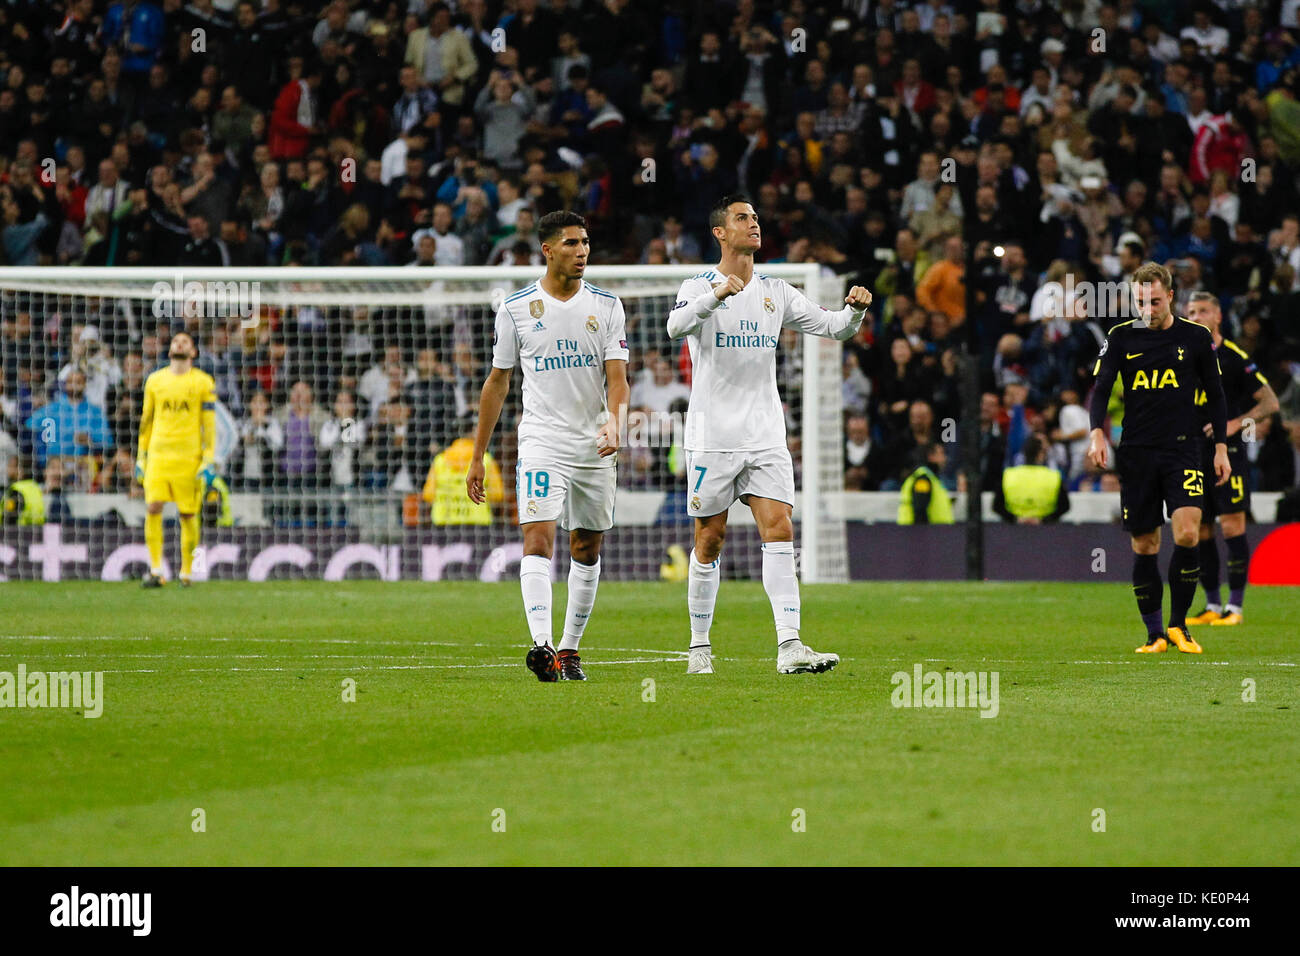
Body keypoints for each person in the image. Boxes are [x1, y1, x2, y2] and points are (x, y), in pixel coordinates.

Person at [666, 194, 871, 675]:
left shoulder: (777, 290)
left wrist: (856, 311)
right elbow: (675, 326)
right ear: (720, 232)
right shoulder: (698, 284)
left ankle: (790, 646)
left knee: (779, 530)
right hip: (712, 436)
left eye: (756, 217)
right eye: (743, 218)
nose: (754, 224)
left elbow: (835, 327)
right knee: (710, 539)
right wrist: (718, 295)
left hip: (765, 435)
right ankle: (699, 647)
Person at [467, 210, 630, 682]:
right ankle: (541, 645)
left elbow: (617, 380)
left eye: (586, 243)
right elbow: (497, 383)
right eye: (572, 243)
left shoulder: (607, 305)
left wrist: (617, 424)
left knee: (587, 546)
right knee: (538, 538)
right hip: (541, 440)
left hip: (595, 443)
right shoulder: (516, 309)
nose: (582, 251)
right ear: (548, 249)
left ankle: (569, 649)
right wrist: (478, 456)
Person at [1086, 263, 1230, 654]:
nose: (1147, 309)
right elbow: (1100, 390)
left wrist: (1219, 447)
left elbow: (1216, 396)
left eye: (1153, 301)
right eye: (1140, 302)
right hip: (1137, 452)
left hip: (1184, 449)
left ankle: (1179, 625)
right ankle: (1154, 635)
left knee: (1186, 532)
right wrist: (1097, 432)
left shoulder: (1197, 338)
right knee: (1146, 544)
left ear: (1170, 297)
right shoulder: (1120, 338)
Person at [1184, 292, 1279, 626]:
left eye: (1203, 311)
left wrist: (1236, 424)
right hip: (1191, 452)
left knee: (1233, 525)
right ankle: (1212, 605)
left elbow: (1270, 403)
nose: (1196, 316)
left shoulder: (1234, 357)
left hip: (1229, 452)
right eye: (1191, 311)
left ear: (1218, 316)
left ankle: (1235, 608)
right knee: (1201, 529)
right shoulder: (1182, 355)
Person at [136, 332, 218, 587]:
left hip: (188, 458)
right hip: (159, 456)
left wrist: (208, 460)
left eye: (185, 342)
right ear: (169, 349)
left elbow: (209, 425)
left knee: (188, 515)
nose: (179, 344)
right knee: (153, 507)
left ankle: (186, 572)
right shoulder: (154, 381)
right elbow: (146, 422)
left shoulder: (204, 382)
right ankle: (156, 569)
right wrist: (141, 457)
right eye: (175, 341)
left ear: (193, 352)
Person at [992, 435, 1070, 523]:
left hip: (1013, 531)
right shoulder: (1053, 476)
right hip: (1046, 531)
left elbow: (997, 506)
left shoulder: (1008, 475)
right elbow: (1064, 506)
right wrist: (1043, 520)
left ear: (1024, 453)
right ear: (1040, 454)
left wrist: (1015, 519)